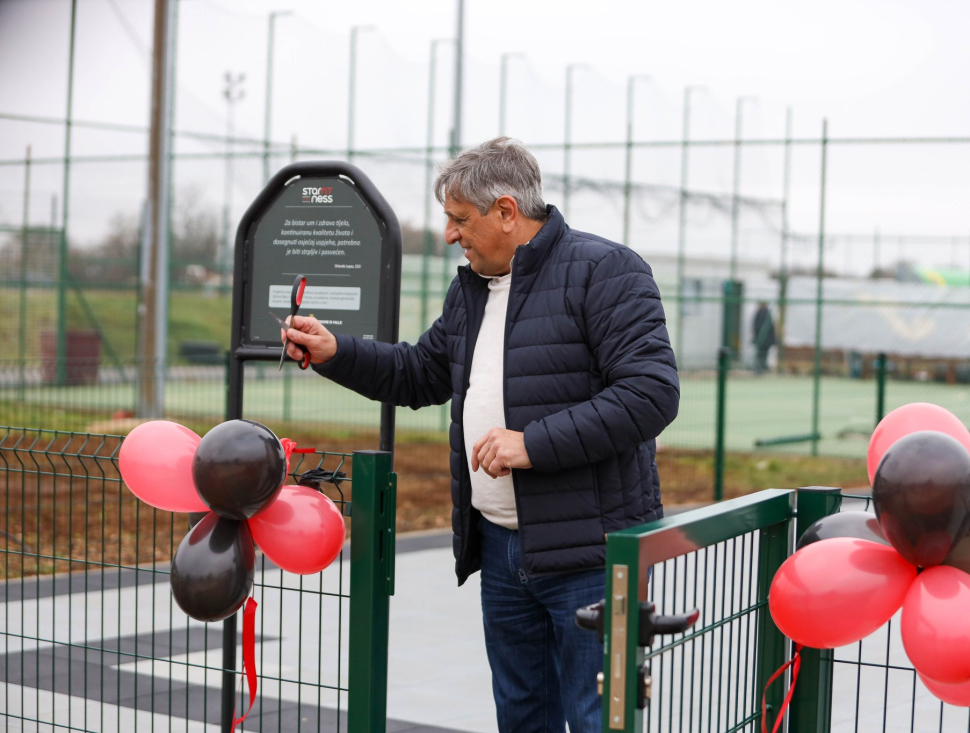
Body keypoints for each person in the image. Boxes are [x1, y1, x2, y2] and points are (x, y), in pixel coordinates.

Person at [281, 137, 679, 732]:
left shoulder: (606, 270)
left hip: (590, 555)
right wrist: (336, 352)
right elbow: (420, 373)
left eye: (459, 219)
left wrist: (533, 443)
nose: (449, 234)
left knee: (599, 719)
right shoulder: (471, 288)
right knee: (521, 716)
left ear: (506, 211)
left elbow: (651, 393)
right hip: (500, 548)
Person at [752, 300, 776, 374]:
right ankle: (760, 368)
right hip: (761, 340)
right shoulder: (761, 313)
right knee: (760, 354)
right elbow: (755, 327)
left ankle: (762, 367)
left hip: (766, 340)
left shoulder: (766, 314)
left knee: (763, 354)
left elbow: (771, 328)